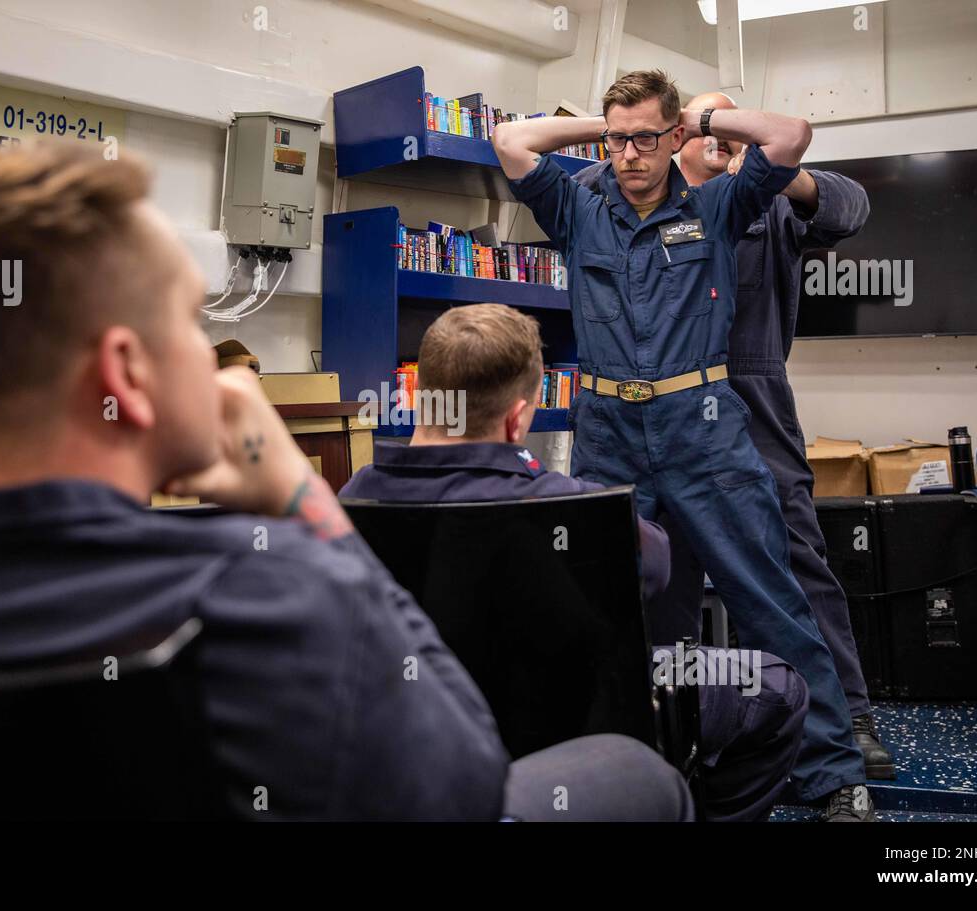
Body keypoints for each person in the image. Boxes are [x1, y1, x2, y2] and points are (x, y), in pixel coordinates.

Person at [0, 143, 693, 823]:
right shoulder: (268, 589)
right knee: (634, 772)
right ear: (127, 375)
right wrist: (301, 501)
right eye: (188, 321)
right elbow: (462, 787)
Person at [492, 69, 873, 820]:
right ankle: (650, 762)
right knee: (627, 614)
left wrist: (699, 127)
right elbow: (510, 139)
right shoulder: (579, 208)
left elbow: (790, 138)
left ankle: (833, 771)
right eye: (618, 140)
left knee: (768, 597)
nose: (629, 154)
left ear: (674, 138)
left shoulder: (720, 205)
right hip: (608, 437)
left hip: (702, 429)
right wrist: (607, 130)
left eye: (645, 138)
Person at [341, 303, 809, 822]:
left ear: (419, 396)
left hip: (414, 732)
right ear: (518, 419)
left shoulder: (348, 503)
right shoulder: (574, 508)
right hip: (568, 727)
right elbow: (657, 568)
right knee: (775, 685)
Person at [573, 90, 894, 779]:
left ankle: (847, 715)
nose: (714, 136)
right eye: (697, 123)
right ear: (670, 137)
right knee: (669, 569)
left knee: (793, 559)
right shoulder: (634, 204)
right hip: (664, 406)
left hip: (752, 386)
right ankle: (683, 725)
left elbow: (849, 206)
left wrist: (760, 157)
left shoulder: (765, 199)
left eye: (726, 123)